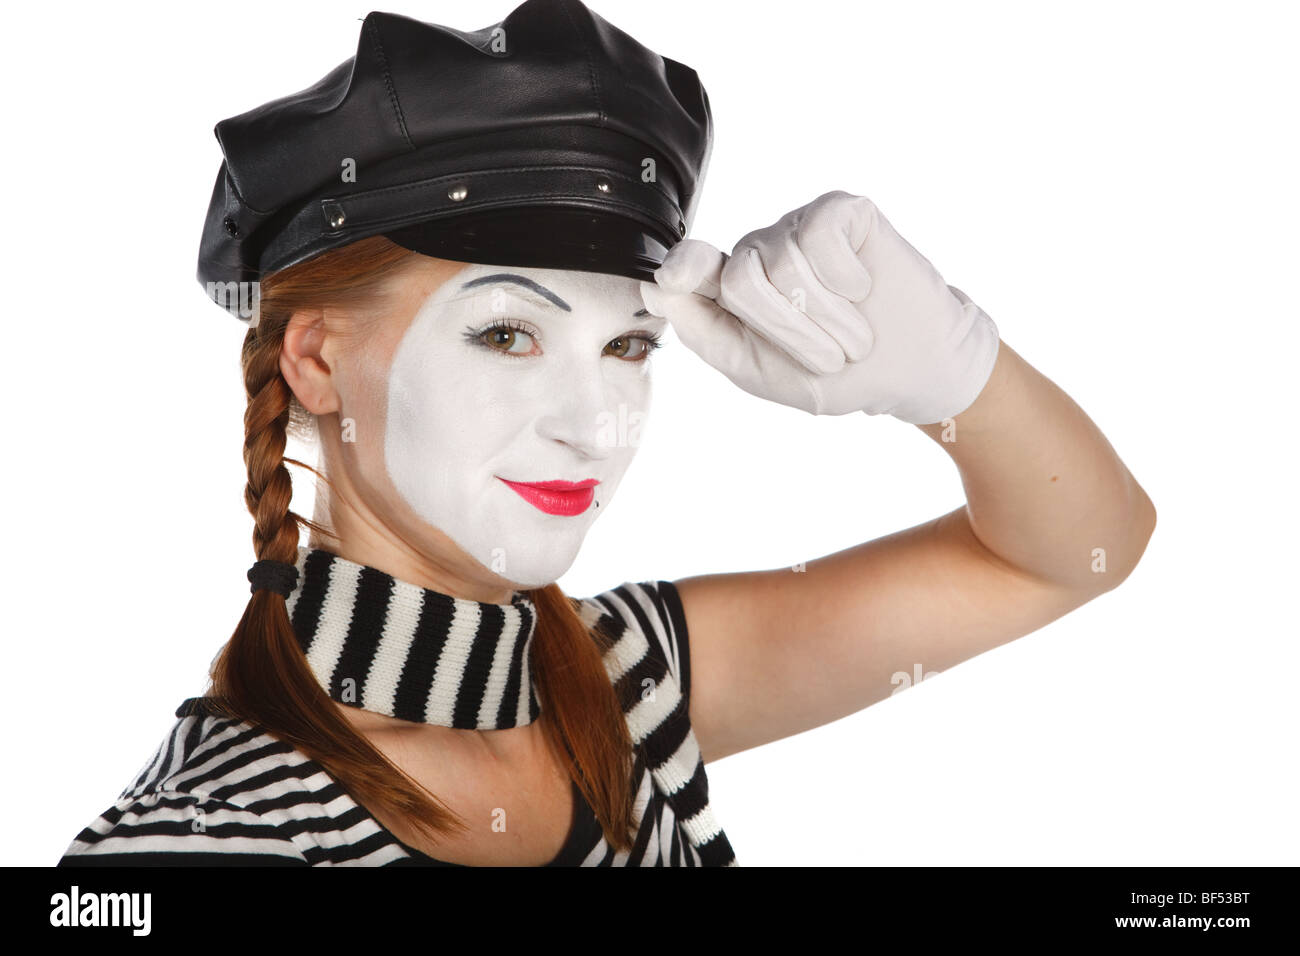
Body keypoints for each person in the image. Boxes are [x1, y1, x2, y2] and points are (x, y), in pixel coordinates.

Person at [57, 0, 1155, 868]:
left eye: (628, 348)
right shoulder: (198, 842)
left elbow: (1075, 552)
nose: (594, 426)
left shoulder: (626, 679)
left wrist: (950, 373)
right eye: (505, 332)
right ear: (317, 360)